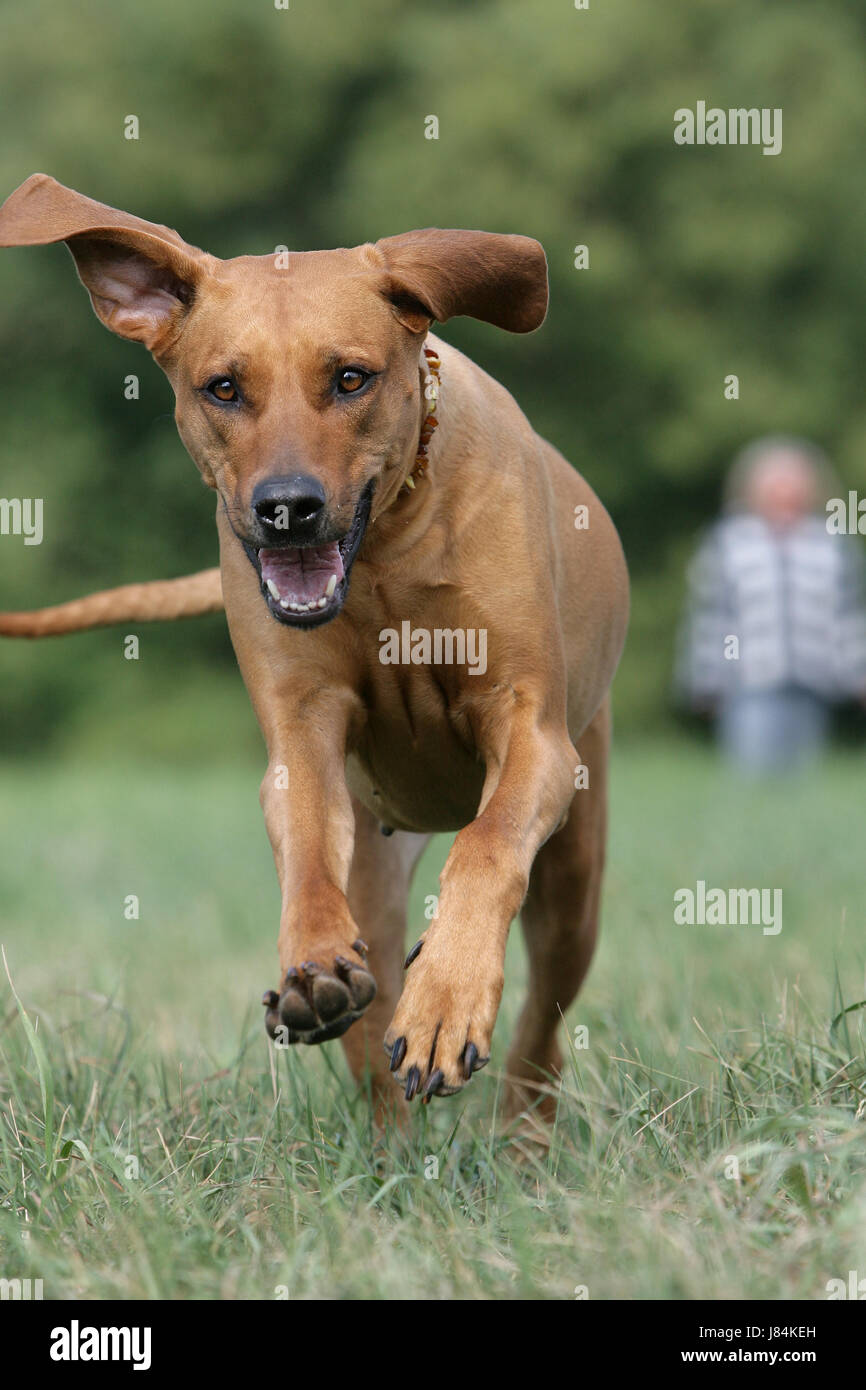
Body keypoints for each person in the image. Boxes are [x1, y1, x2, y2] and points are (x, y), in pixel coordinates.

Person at [676, 437, 866, 772]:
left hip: (812, 677)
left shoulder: (831, 543)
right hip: (749, 680)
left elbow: (847, 618)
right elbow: (711, 616)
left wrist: (858, 673)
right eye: (776, 485)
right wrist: (706, 679)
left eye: (794, 485)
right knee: (753, 769)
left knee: (802, 775)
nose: (786, 494)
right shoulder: (729, 541)